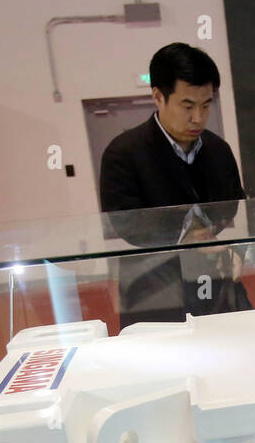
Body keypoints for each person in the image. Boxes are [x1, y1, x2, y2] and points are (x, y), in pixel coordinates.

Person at [99, 42, 247, 326]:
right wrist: (186, 237)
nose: (198, 118)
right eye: (187, 106)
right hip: (153, 289)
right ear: (158, 96)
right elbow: (126, 223)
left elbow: (236, 209)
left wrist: (235, 250)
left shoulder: (218, 150)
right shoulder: (124, 153)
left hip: (215, 283)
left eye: (206, 105)